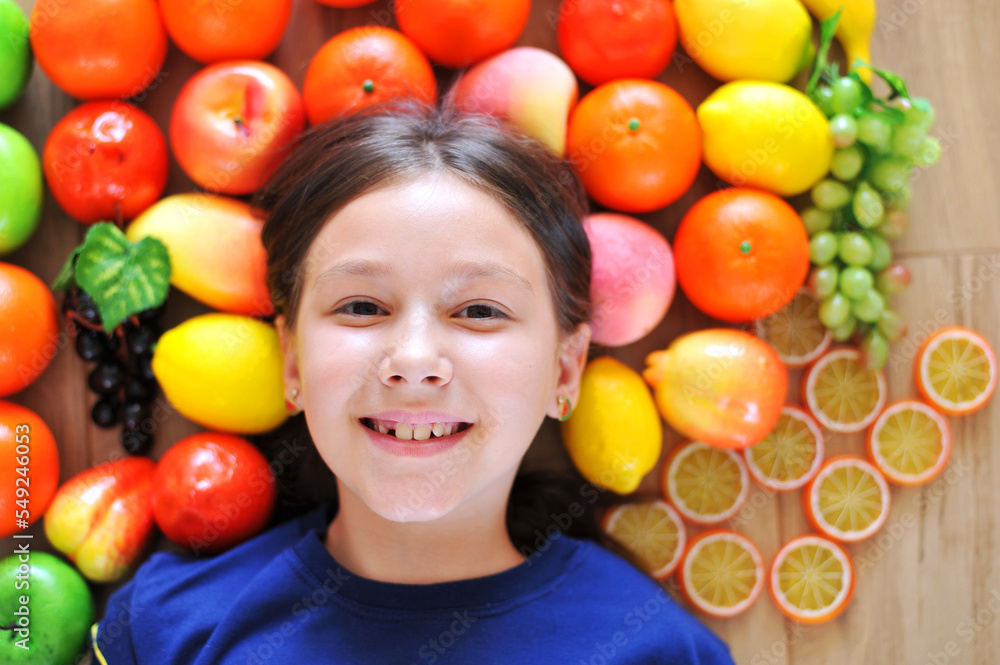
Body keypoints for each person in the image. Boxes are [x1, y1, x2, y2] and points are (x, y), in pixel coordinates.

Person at [88, 98, 736, 665]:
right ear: (292, 363)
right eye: (362, 306)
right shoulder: (166, 631)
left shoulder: (656, 651)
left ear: (564, 369)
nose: (415, 358)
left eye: (479, 310)